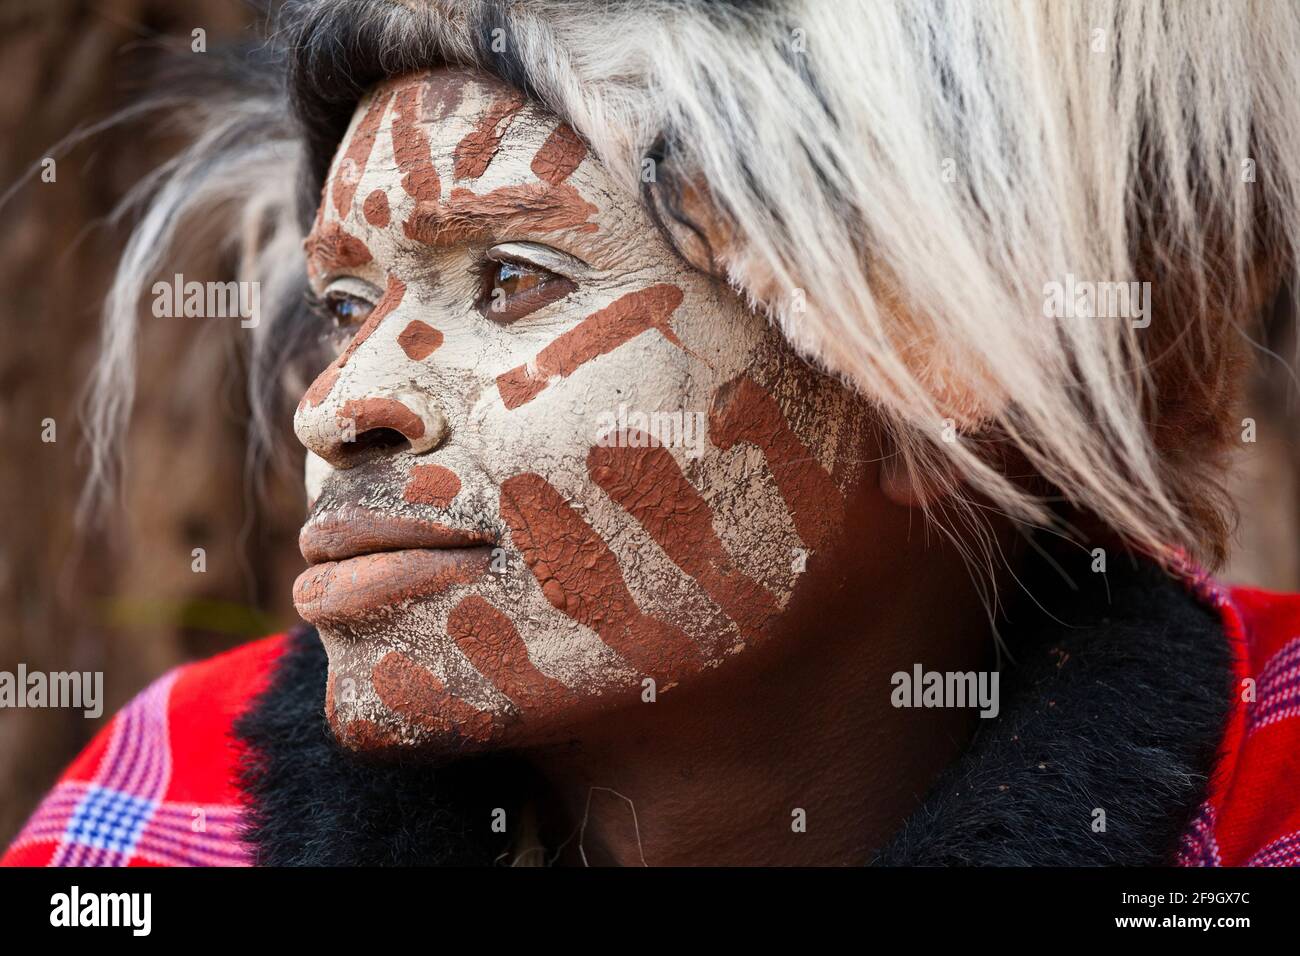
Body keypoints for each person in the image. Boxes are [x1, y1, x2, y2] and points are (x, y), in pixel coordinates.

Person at [5, 0, 1300, 867]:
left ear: (926, 375)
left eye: (511, 280)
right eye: (346, 307)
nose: (336, 405)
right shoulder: (177, 797)